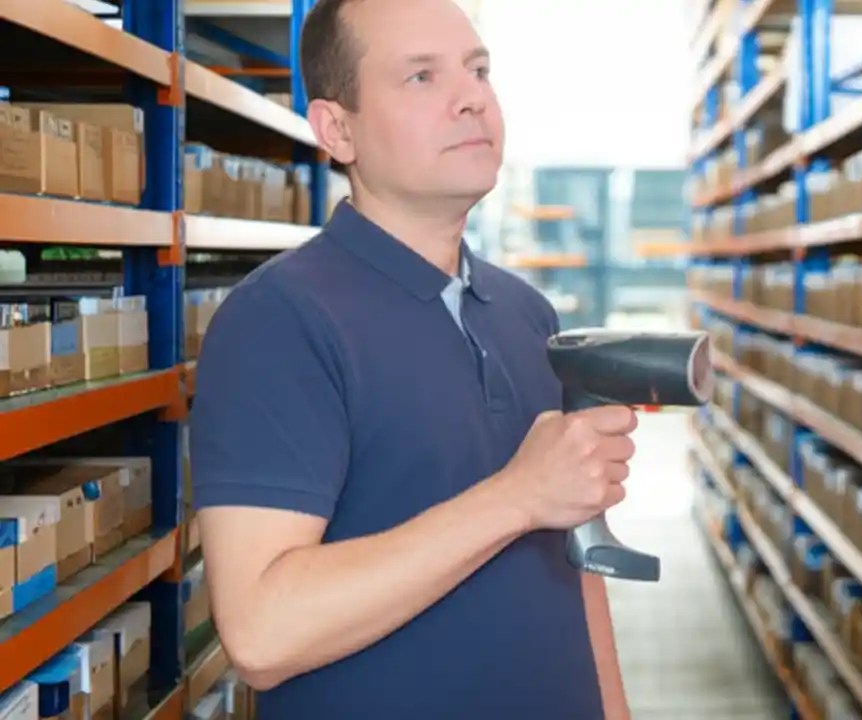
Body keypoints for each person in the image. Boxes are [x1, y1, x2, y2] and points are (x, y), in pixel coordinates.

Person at [187, 0, 637, 717]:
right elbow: (261, 634)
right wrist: (517, 496)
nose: (472, 99)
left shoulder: (527, 314)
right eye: (421, 77)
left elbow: (576, 557)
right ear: (338, 129)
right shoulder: (278, 321)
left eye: (478, 70)